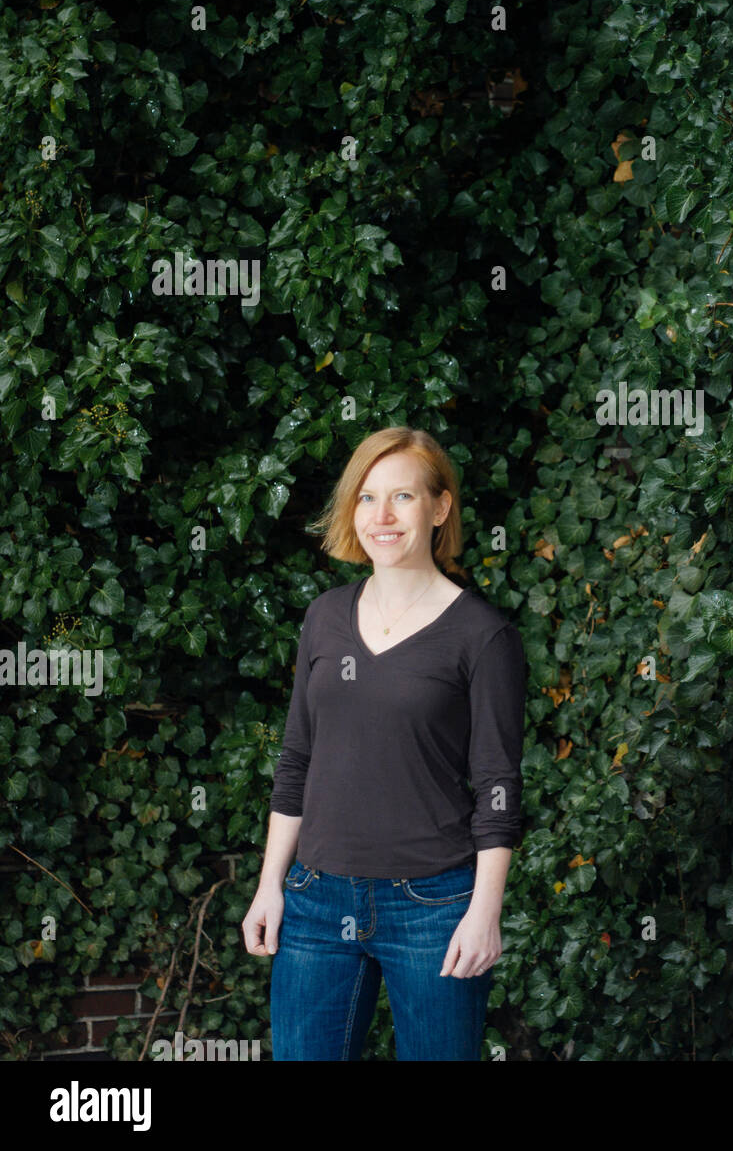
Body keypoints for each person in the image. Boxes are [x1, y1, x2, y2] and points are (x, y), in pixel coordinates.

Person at [240, 426, 526, 1060]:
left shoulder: (482, 637)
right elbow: (296, 761)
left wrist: (485, 912)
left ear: (440, 508)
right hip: (315, 901)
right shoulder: (324, 617)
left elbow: (499, 787)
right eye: (367, 498)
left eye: (403, 497)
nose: (383, 517)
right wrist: (270, 884)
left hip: (433, 906)